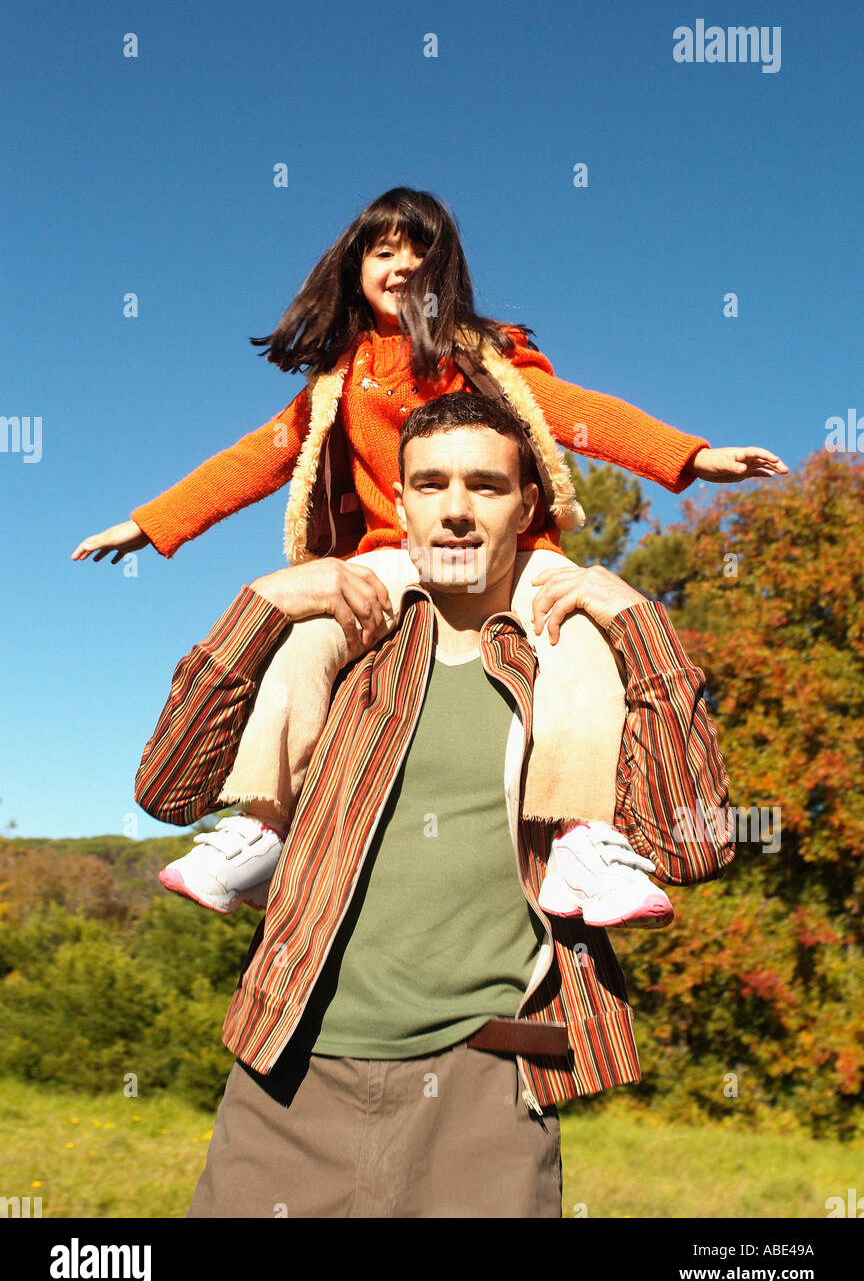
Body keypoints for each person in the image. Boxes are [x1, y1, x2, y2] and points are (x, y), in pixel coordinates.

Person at [78, 186, 777, 924]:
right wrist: (149, 524)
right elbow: (258, 459)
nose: (403, 265)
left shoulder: (484, 354)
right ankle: (262, 827)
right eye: (385, 251)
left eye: (421, 252)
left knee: (577, 632)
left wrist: (692, 457)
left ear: (446, 271)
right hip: (394, 553)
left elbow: (581, 414)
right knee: (308, 636)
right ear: (356, 268)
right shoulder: (339, 380)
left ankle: (582, 841)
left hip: (516, 553)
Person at [134, 391, 734, 1218]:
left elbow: (692, 848)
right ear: (401, 501)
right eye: (431, 485)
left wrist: (643, 632)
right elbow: (168, 791)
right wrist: (260, 607)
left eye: (485, 486)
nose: (456, 512)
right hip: (289, 1084)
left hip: (486, 1098)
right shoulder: (345, 654)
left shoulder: (567, 677)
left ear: (529, 506)